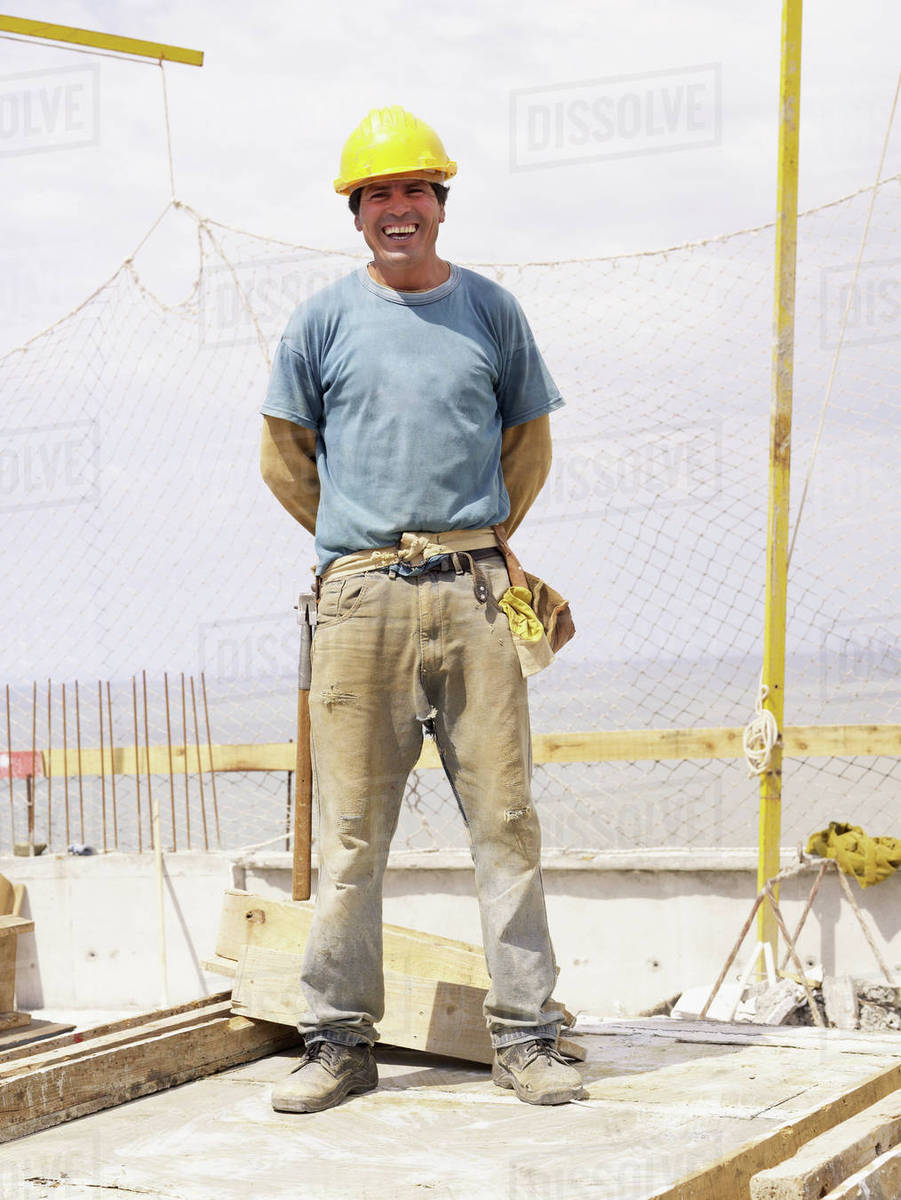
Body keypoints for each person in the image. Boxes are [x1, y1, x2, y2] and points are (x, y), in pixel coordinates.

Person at [259, 106, 583, 1112]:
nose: (397, 210)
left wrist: (469, 540)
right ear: (356, 216)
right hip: (358, 603)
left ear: (439, 206)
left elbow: (525, 440)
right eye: (377, 196)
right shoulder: (320, 321)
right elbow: (285, 458)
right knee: (353, 835)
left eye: (413, 192)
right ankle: (340, 1044)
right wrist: (361, 544)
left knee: (505, 823)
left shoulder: (489, 311)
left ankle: (527, 1038)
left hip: (480, 594)